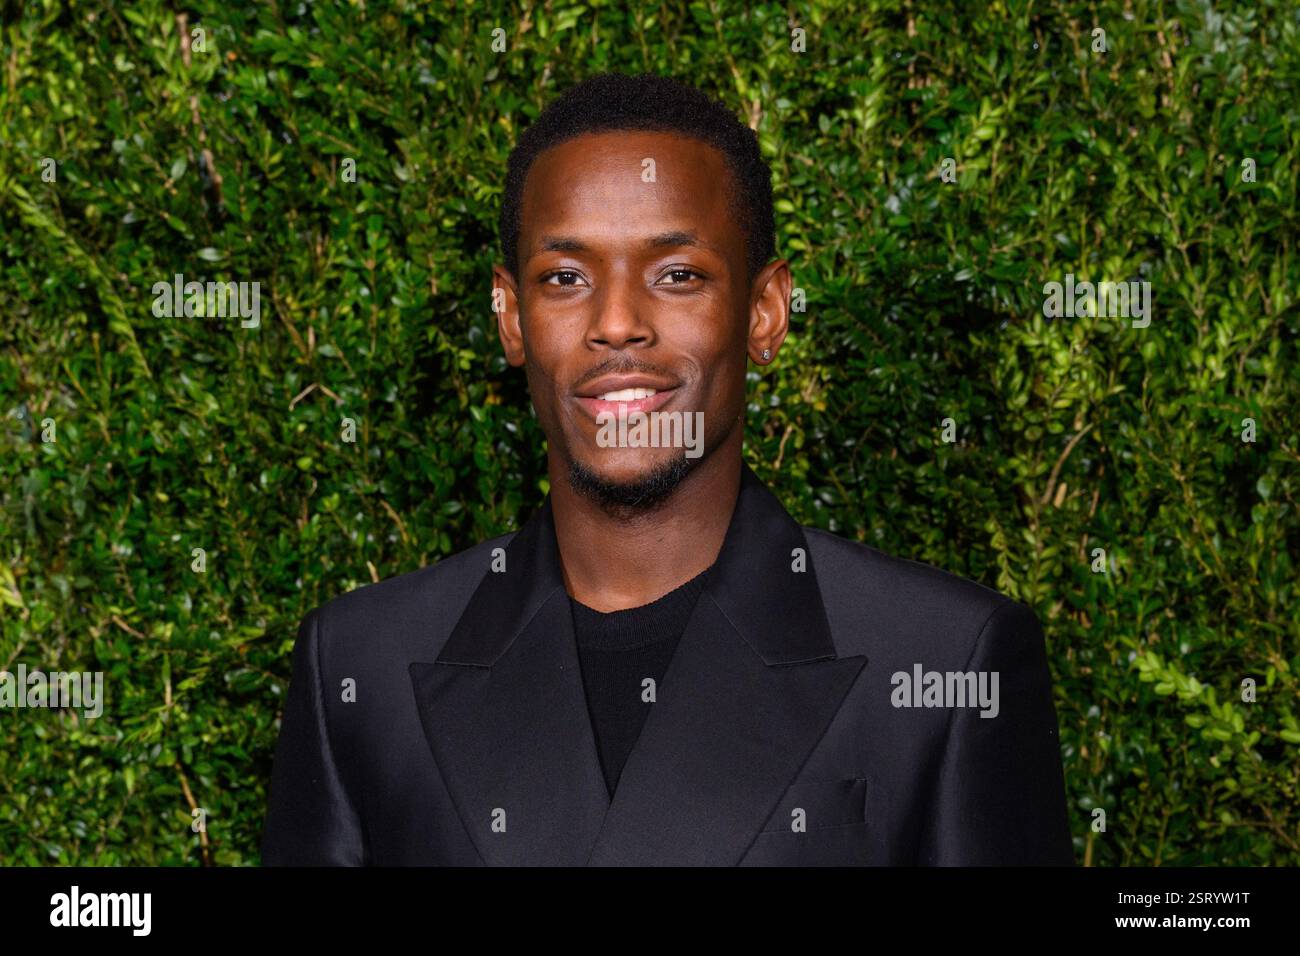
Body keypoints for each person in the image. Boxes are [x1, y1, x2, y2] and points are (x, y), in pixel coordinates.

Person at [261, 72, 1073, 866]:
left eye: (677, 275)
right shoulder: (361, 667)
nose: (617, 323)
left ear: (765, 312)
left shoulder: (945, 661)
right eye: (566, 278)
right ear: (511, 318)